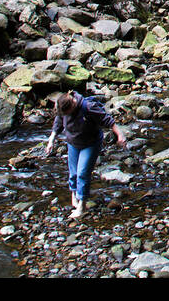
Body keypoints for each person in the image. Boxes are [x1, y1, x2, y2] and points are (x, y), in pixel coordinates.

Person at [44, 90, 126, 218]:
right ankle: (74, 197)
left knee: (82, 173)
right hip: (73, 142)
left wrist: (120, 135)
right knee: (73, 173)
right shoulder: (62, 106)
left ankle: (82, 206)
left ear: (72, 105)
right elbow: (59, 121)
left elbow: (108, 121)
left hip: (90, 143)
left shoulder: (88, 107)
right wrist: (51, 140)